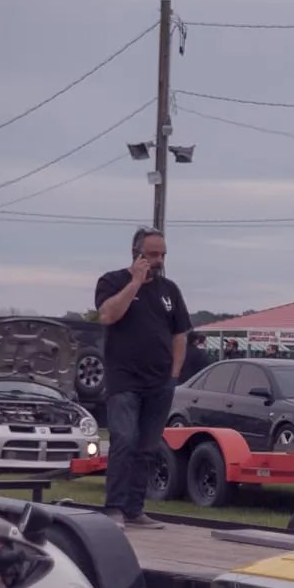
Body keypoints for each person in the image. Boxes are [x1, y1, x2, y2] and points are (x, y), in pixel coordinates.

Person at [94, 226, 192, 528]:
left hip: (160, 382)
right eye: (152, 254)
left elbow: (180, 334)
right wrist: (135, 282)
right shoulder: (112, 281)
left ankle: (135, 509)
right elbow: (108, 315)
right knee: (125, 439)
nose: (159, 260)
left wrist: (174, 374)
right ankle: (115, 508)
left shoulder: (170, 290)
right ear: (136, 254)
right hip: (124, 379)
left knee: (147, 446)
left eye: (162, 254)